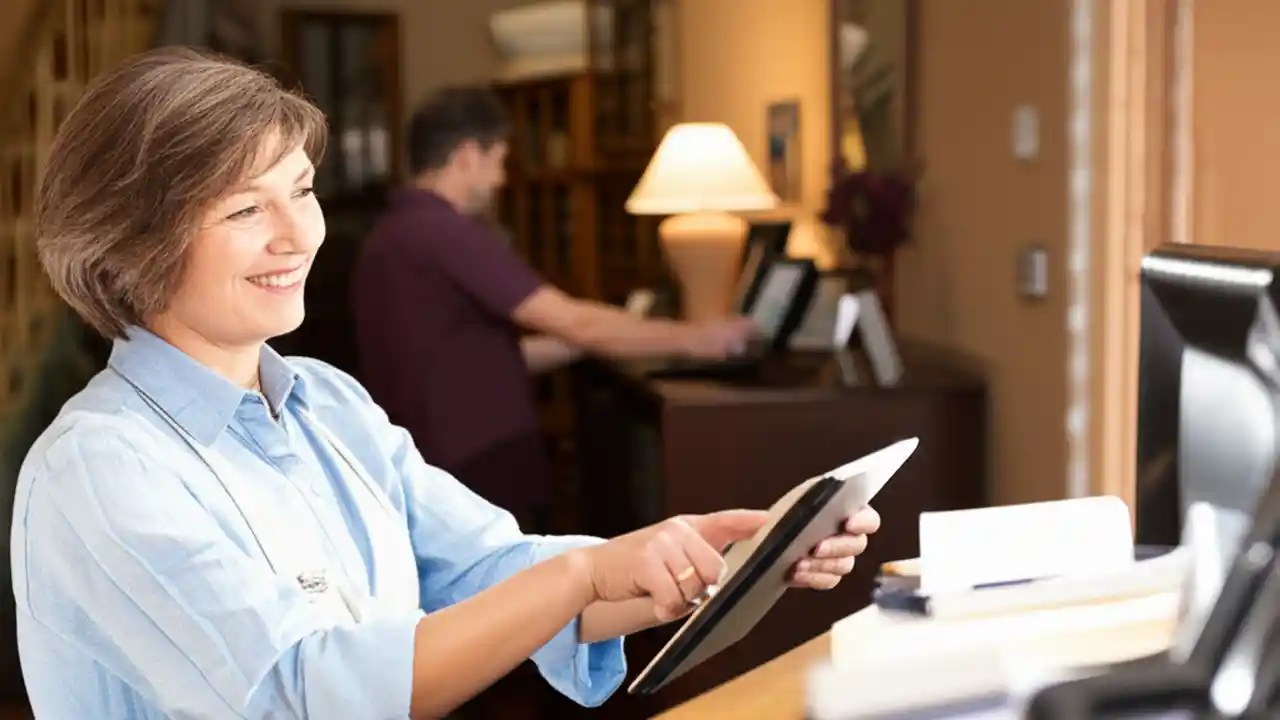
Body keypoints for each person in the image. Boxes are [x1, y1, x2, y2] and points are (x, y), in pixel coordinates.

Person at [10, 47, 881, 720]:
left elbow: (493, 575)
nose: (296, 235)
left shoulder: (327, 406)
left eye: (302, 191)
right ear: (134, 242)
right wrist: (578, 581)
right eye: (245, 209)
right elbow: (306, 694)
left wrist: (724, 563)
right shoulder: (102, 468)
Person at [351, 87, 758, 529]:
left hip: (438, 453)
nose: (501, 180)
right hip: (477, 456)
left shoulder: (391, 234)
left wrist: (597, 339)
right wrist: (699, 339)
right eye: (501, 162)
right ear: (468, 155)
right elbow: (571, 319)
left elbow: (486, 355)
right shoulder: (443, 231)